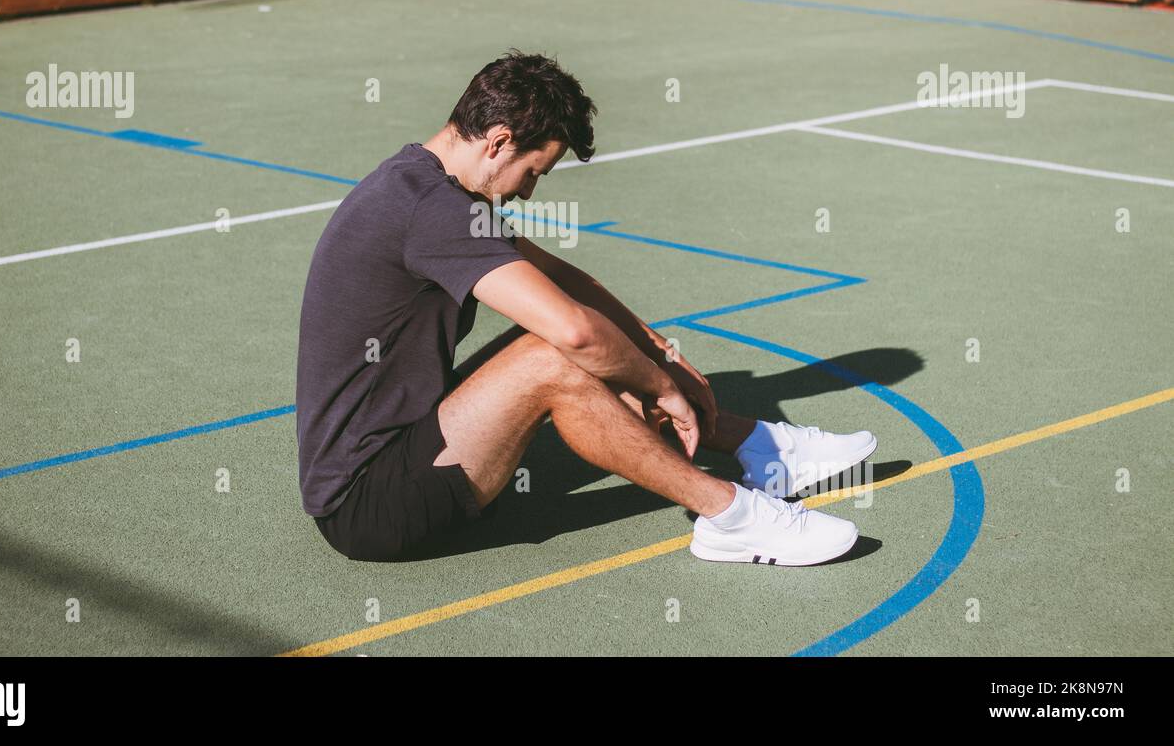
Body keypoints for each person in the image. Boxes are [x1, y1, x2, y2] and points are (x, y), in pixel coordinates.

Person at [296, 49, 876, 564]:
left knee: (581, 346)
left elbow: (562, 279)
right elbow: (574, 335)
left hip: (411, 439)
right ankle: (731, 518)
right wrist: (661, 385)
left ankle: (764, 449)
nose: (527, 191)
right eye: (533, 173)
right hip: (368, 502)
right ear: (498, 141)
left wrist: (656, 353)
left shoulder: (422, 183)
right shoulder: (434, 210)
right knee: (558, 360)